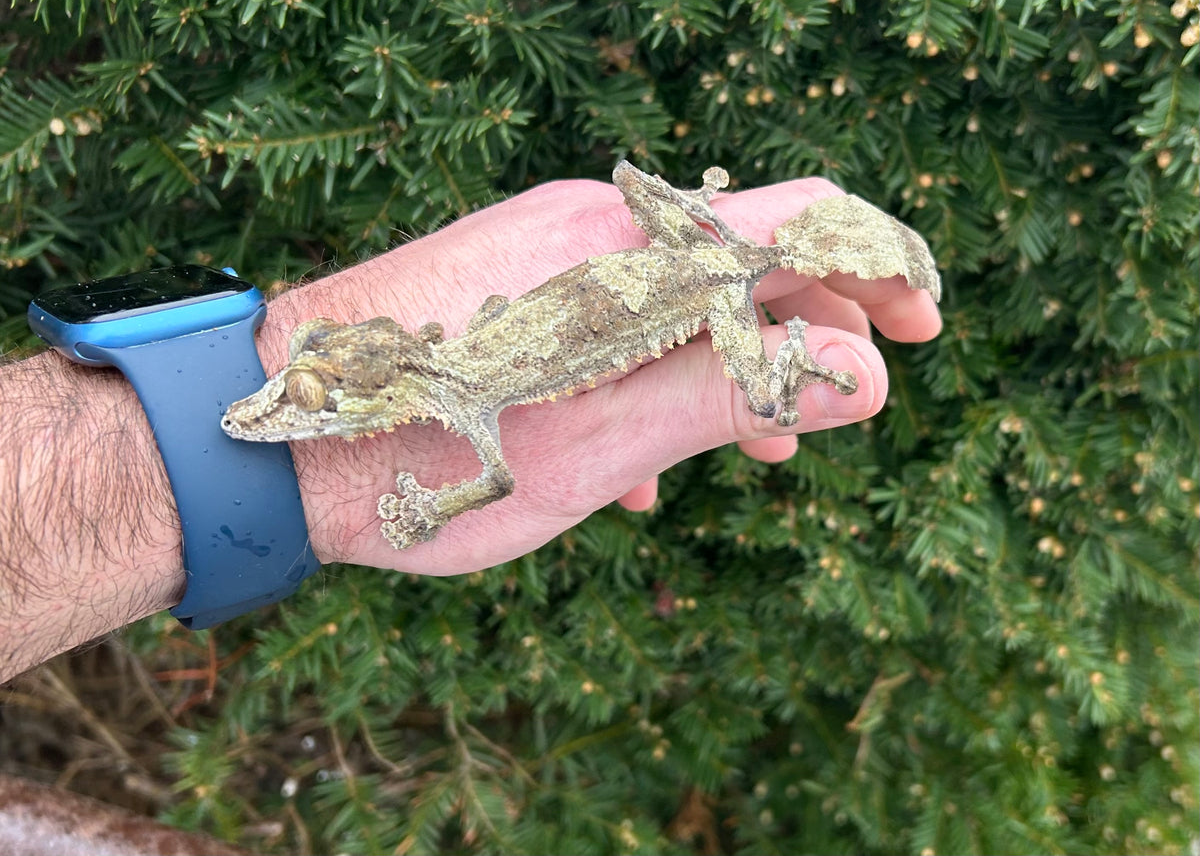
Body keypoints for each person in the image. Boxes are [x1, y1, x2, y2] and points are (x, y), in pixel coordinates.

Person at [0, 172, 942, 683]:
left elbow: (493, 481)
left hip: (716, 281)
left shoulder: (468, 405)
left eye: (314, 397)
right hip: (687, 249)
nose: (264, 411)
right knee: (625, 182)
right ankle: (694, 207)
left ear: (381, 393)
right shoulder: (452, 370)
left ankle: (784, 338)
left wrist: (424, 503)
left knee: (769, 392)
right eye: (304, 385)